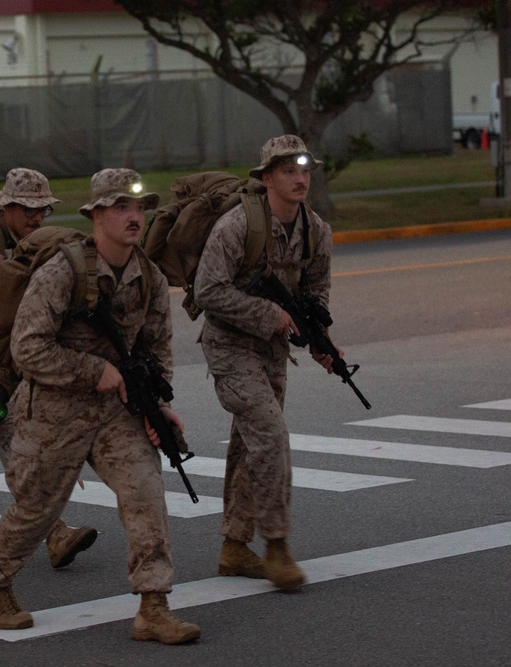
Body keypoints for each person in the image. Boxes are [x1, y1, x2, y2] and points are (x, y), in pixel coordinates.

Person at [0, 168, 200, 645]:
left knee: (145, 492)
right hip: (55, 409)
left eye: (139, 208)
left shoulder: (150, 277)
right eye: (121, 207)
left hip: (116, 412)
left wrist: (157, 405)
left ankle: (153, 605)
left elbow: (157, 349)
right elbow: (27, 347)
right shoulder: (63, 270)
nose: (134, 217)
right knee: (37, 509)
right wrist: (92, 371)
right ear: (96, 215)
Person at [193, 135, 337, 591]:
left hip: (272, 352)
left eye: (305, 170)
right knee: (271, 436)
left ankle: (235, 546)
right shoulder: (237, 226)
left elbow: (315, 294)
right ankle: (277, 544)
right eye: (289, 171)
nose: (300, 178)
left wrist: (320, 341)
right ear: (268, 177)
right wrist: (269, 315)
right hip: (230, 347)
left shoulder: (316, 230)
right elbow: (207, 291)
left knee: (249, 443)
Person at [0, 168, 97, 567]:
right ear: (6, 207)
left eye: (42, 209)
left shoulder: (40, 245)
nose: (36, 217)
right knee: (7, 427)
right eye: (27, 209)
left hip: (14, 347)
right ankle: (54, 530)